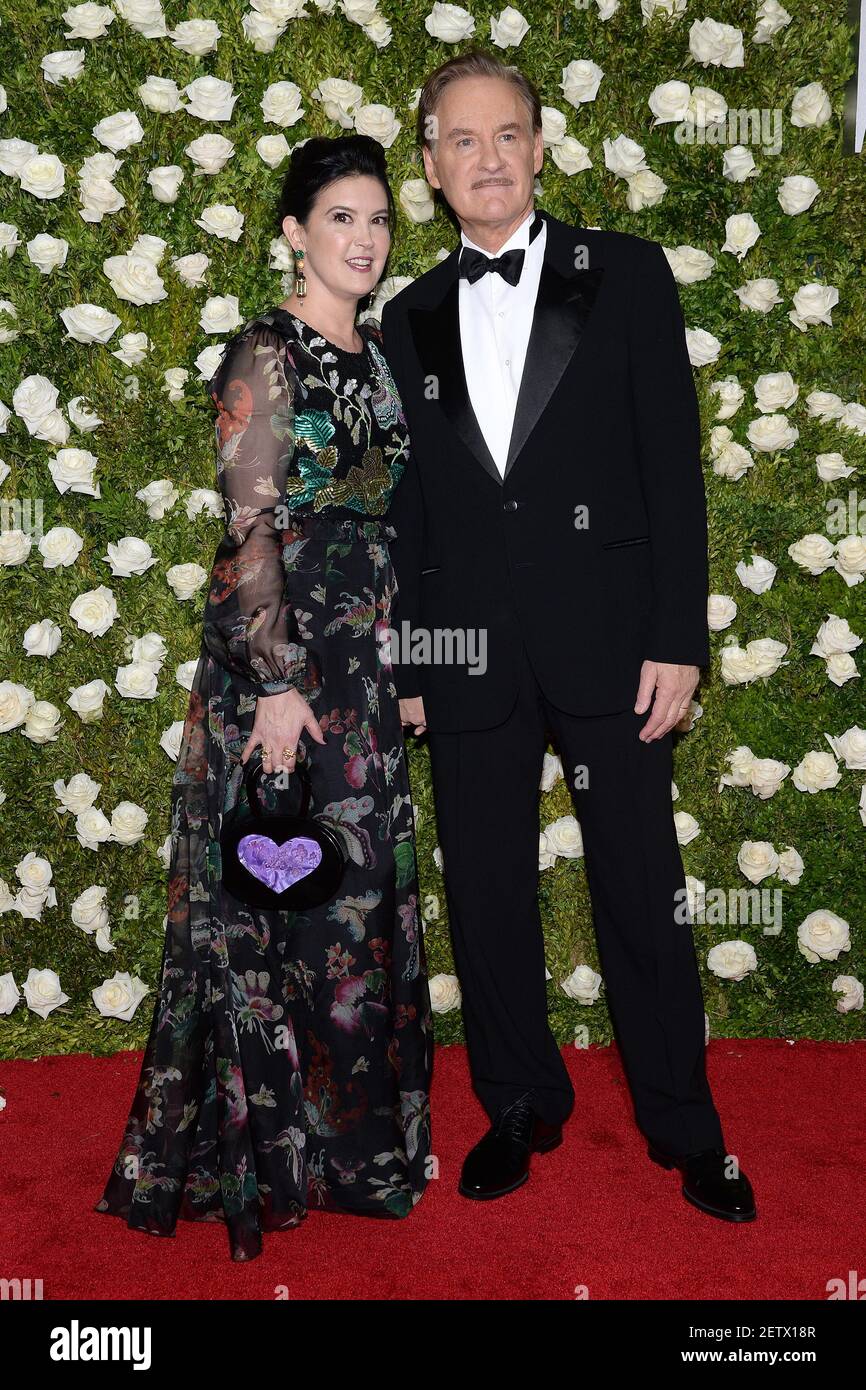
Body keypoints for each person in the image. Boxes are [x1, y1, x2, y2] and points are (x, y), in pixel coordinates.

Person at [381, 49, 756, 1222]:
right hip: (465, 656)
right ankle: (516, 1105)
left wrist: (676, 637)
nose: (486, 158)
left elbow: (670, 468)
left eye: (506, 135)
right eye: (460, 140)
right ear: (430, 167)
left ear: (538, 149)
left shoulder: (627, 274)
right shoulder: (405, 317)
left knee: (640, 888)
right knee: (485, 893)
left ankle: (685, 1125)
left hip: (612, 645)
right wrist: (411, 658)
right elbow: (408, 508)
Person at [95, 135, 433, 1262]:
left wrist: (406, 662)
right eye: (340, 217)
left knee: (356, 901)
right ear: (294, 232)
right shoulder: (266, 351)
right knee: (282, 901)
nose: (363, 238)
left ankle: (351, 1151)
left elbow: (396, 525)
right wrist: (277, 685)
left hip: (368, 656)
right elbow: (249, 526)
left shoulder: (377, 354)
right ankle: (275, 1152)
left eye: (377, 218)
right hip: (282, 655)